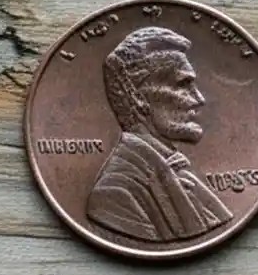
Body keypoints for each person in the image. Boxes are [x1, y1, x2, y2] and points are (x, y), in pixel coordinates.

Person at [87, 27, 232, 241]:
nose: (199, 98)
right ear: (137, 96)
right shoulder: (115, 193)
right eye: (183, 85)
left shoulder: (178, 171)